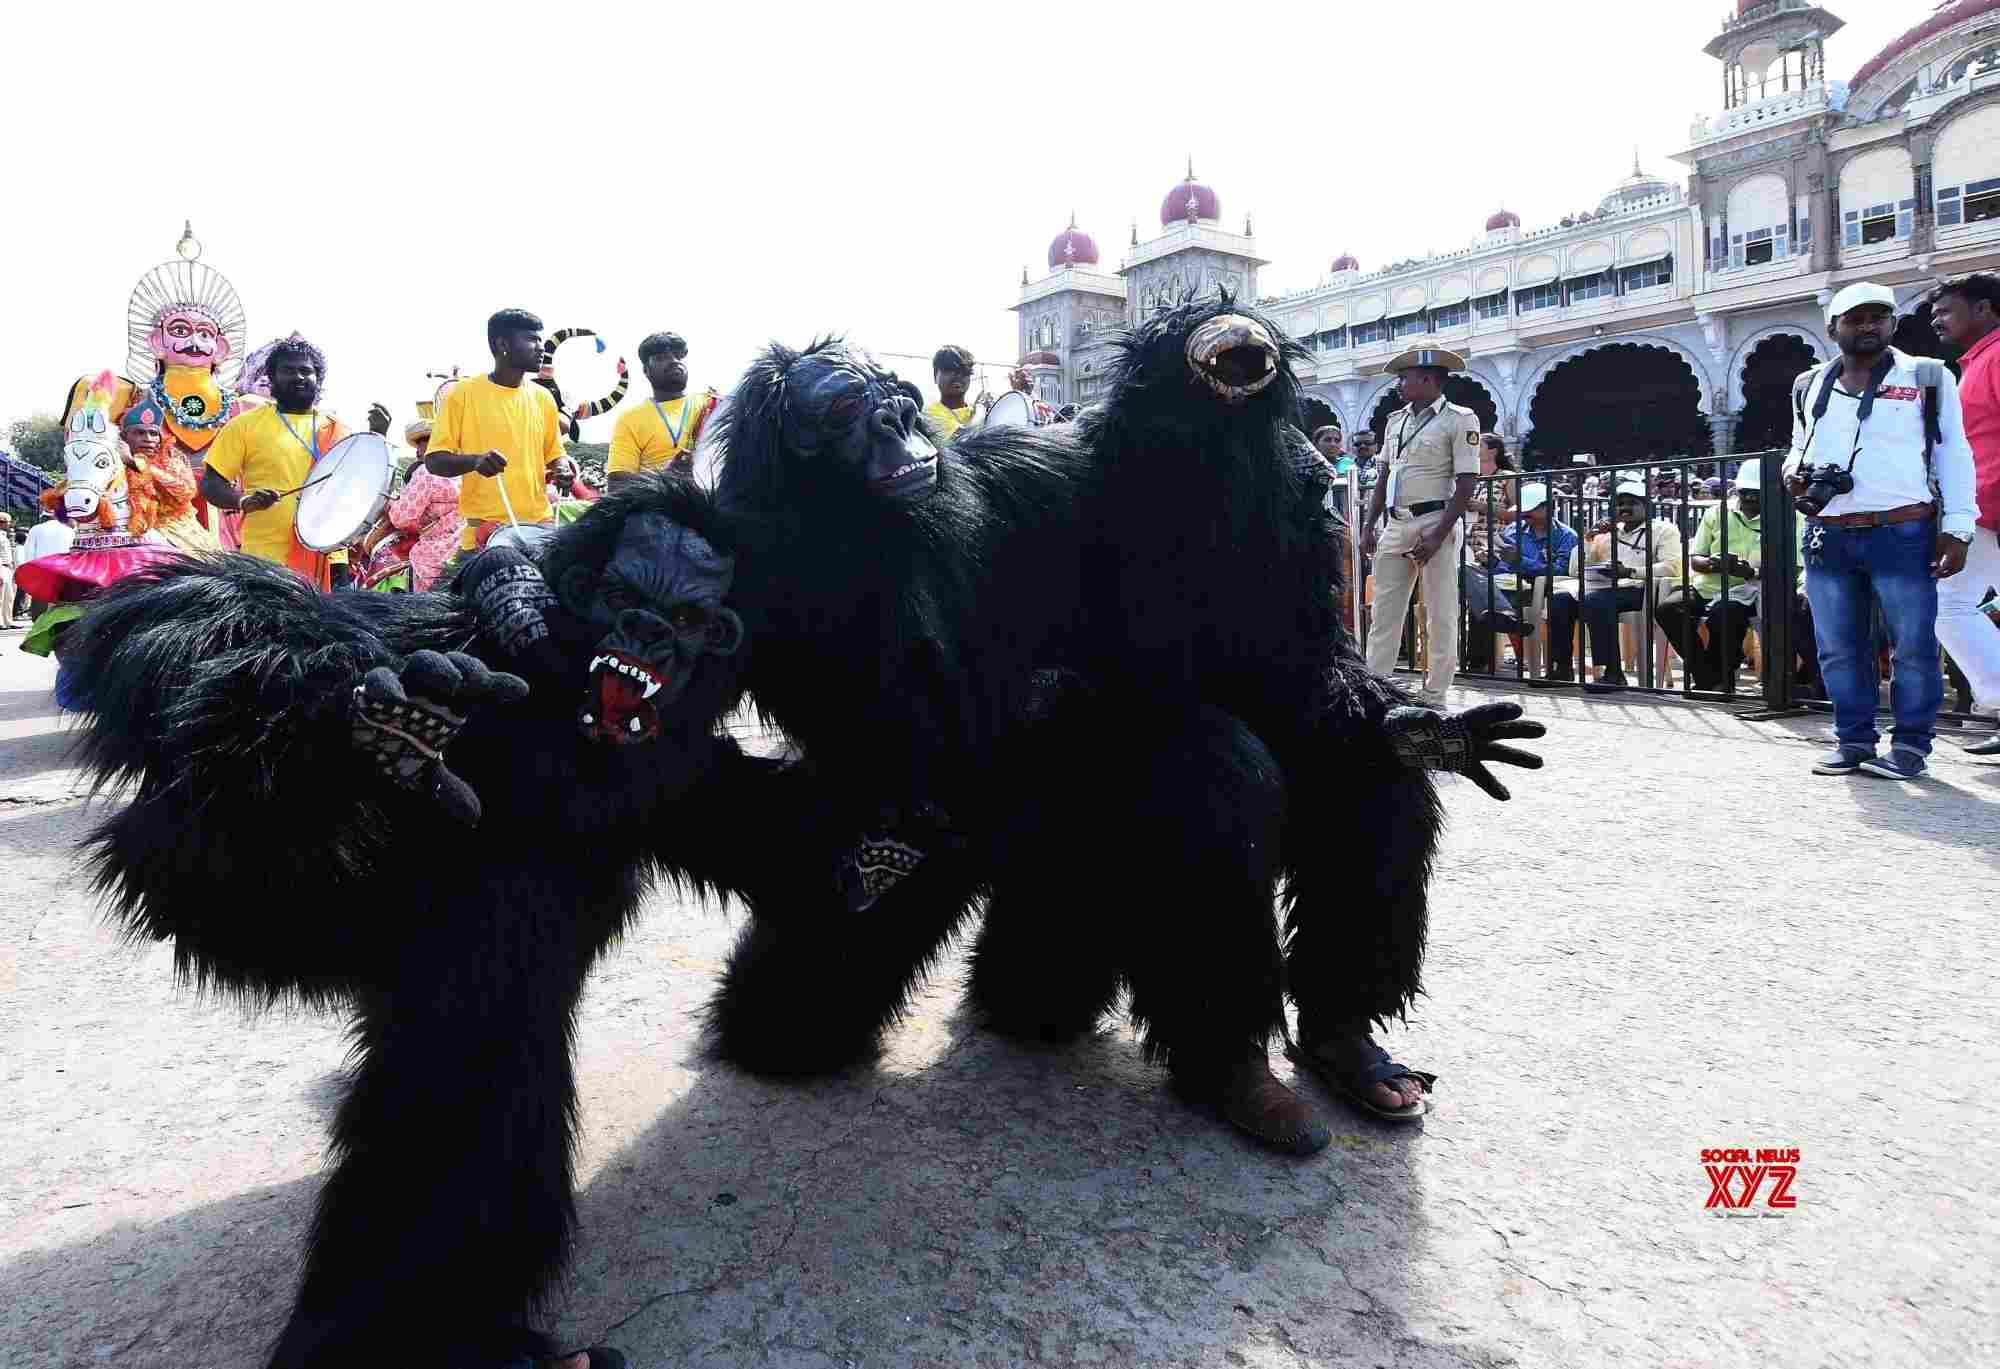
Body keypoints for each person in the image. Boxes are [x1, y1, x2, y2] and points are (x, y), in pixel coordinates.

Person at [1785, 280, 1978, 780]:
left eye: (1879, 317)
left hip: (1902, 530)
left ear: (1893, 323)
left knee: (1912, 645)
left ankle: (1911, 747)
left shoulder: (1928, 376)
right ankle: (1853, 742)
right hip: (1828, 531)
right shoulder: (1809, 384)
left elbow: (1954, 452)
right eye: (1856, 318)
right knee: (1838, 646)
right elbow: (1798, 444)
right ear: (1833, 328)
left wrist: (1958, 527)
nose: (1869, 326)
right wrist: (1793, 472)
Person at [201, 334, 390, 590]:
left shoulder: (340, 431)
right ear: (272, 377)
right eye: (288, 370)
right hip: (266, 557)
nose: (298, 377)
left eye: (306, 371)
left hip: (329, 555)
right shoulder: (244, 426)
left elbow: (364, 486)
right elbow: (211, 484)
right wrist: (242, 501)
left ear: (317, 379)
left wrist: (377, 438)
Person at [1360, 348, 1482, 708]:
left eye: (1405, 378)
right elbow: (1384, 476)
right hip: (1396, 524)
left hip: (1436, 520)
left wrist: (1439, 534)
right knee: (1384, 612)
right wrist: (1370, 525)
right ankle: (1376, 688)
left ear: (1428, 379)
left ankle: (1435, 694)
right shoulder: (1394, 420)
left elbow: (1466, 481)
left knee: (1441, 612)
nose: (1399, 385)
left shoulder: (1461, 419)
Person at [1925, 273, 2000, 755]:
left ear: (1985, 309)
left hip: (1991, 507)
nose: (1936, 320)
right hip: (1983, 508)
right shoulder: (1977, 362)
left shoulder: (1994, 358)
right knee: (1962, 608)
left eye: (1946, 310)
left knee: (1950, 607)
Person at [426, 308, 568, 555]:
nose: (541, 347)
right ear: (503, 344)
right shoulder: (462, 394)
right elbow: (434, 461)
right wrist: (475, 461)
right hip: (485, 537)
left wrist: (563, 468)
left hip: (540, 530)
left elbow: (555, 453)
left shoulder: (543, 398)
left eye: (540, 339)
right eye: (532, 339)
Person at [1653, 459, 1800, 689]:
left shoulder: (1789, 516)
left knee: (1725, 613)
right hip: (1707, 585)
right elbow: (1695, 558)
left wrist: (1751, 572)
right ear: (1737, 490)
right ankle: (1707, 676)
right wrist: (1713, 563)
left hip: (1755, 590)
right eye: (1745, 492)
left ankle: (1717, 677)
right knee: (1668, 609)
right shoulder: (1716, 513)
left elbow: (1794, 567)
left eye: (1756, 493)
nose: (1750, 498)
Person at [1547, 476, 1683, 689]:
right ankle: (1562, 669)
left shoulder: (1664, 530)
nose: (1625, 508)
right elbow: (1575, 569)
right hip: (1605, 587)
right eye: (1620, 504)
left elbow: (1672, 567)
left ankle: (1613, 673)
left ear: (1646, 506)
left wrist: (1630, 571)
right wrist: (1590, 538)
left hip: (1642, 589)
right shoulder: (1609, 532)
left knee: (1596, 601)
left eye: (1632, 503)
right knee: (1559, 600)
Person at [1491, 484, 1582, 677]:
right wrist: (1490, 559)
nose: (1525, 513)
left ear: (1548, 507)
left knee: (1490, 600)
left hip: (1540, 589)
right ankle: (1480, 661)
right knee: (1472, 576)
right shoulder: (1512, 530)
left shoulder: (1567, 536)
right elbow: (1501, 565)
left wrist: (1521, 561)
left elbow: (1562, 571)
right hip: (1506, 584)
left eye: (1531, 509)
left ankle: (1507, 618)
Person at [607, 331, 718, 485]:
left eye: (678, 356)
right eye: (661, 358)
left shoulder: (713, 404)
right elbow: (617, 484)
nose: (674, 361)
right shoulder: (630, 419)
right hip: (659, 506)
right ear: (646, 371)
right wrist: (665, 479)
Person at [1461, 434, 1523, 670]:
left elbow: (1517, 511)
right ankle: (1475, 657)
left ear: (1493, 450)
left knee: (1480, 592)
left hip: (1493, 546)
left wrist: (1483, 507)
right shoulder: (1471, 478)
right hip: (1467, 544)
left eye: (1479, 444)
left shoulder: (1507, 478)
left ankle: (1478, 659)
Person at [923, 345, 988, 439]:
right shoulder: (929, 414)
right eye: (949, 371)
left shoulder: (976, 411)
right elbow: (963, 438)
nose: (958, 377)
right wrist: (981, 407)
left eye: (964, 372)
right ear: (935, 375)